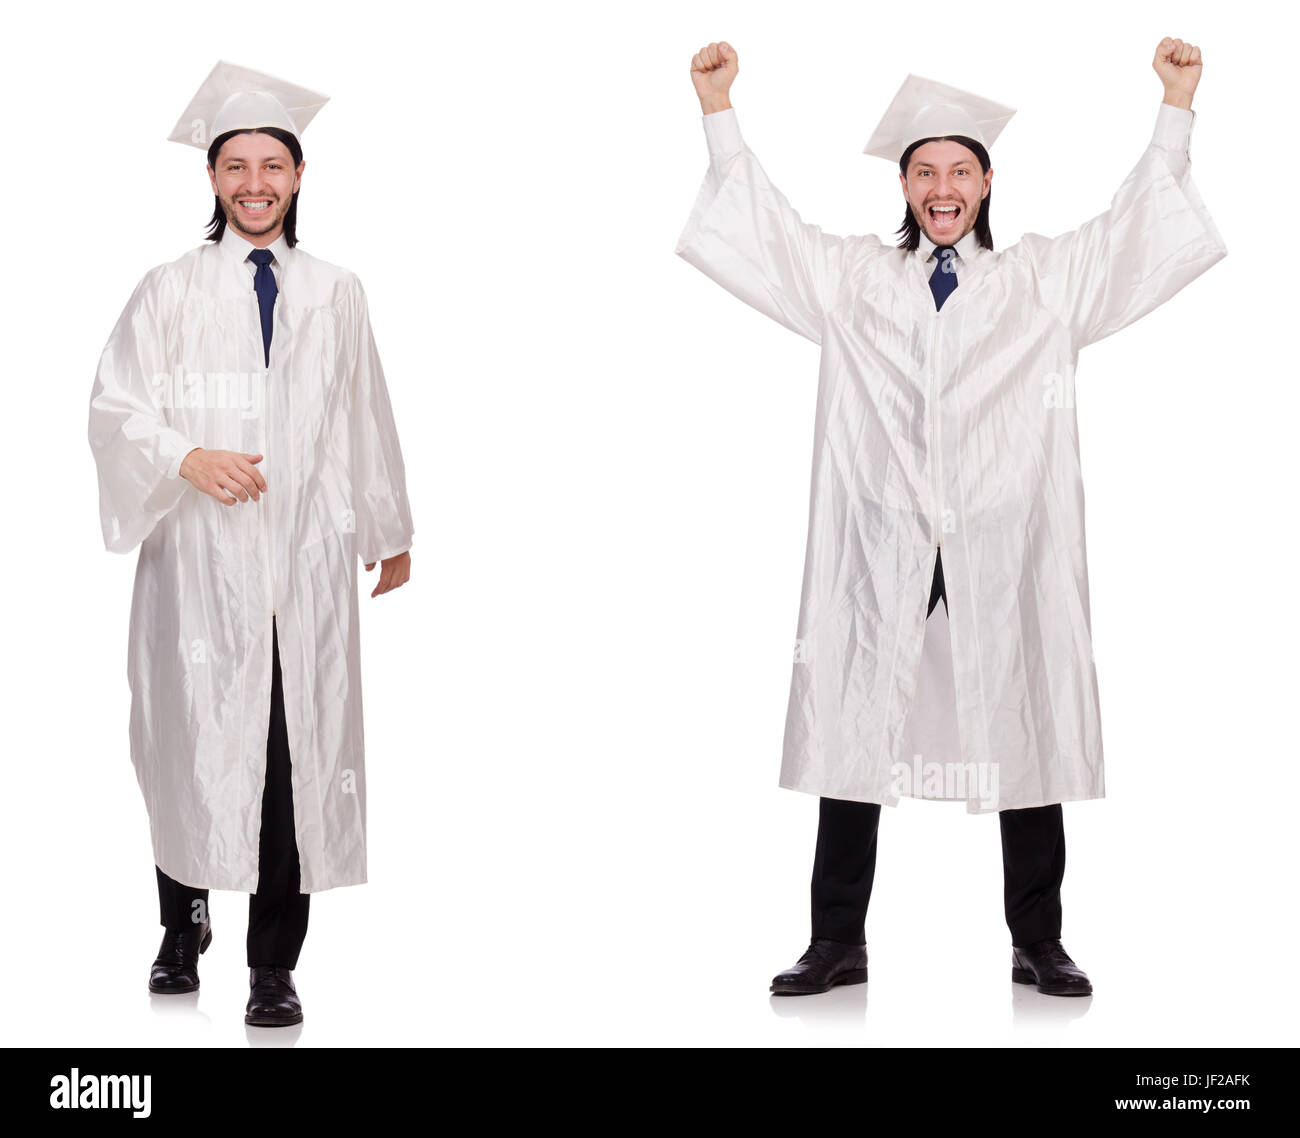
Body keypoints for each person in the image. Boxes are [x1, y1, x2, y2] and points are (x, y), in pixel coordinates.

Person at [675, 38, 1224, 997]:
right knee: (853, 720)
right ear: (902, 182)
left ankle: (1039, 938)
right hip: (881, 537)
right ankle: (836, 939)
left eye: (958, 171)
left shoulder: (1042, 283)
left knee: (1025, 718)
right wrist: (719, 112)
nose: (942, 187)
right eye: (925, 170)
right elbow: (763, 230)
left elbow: (1137, 227)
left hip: (1003, 540)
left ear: (985, 181)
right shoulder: (853, 281)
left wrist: (1175, 107)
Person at [88, 61, 414, 1026]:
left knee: (290, 759)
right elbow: (113, 406)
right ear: (213, 179)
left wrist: (390, 527)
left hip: (304, 567)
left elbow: (366, 413)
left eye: (273, 164)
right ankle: (178, 924)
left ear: (301, 175)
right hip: (198, 567)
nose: (255, 182)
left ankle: (274, 965)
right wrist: (185, 457)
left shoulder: (336, 293)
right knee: (186, 743)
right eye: (237, 165)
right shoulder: (170, 290)